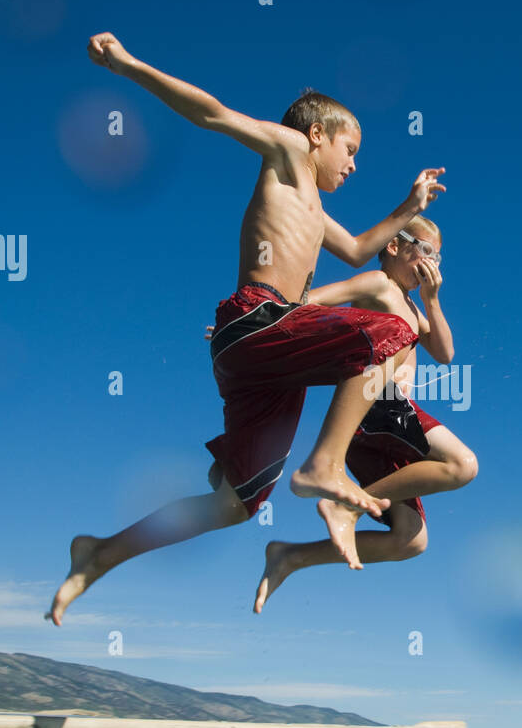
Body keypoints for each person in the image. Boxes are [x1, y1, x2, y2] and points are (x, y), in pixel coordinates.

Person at [47, 32, 445, 625]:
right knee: (392, 329)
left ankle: (100, 552)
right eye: (350, 148)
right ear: (317, 136)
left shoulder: (315, 207)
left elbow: (361, 249)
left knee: (235, 504)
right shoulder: (287, 152)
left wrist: (408, 209)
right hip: (258, 319)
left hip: (265, 353)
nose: (354, 164)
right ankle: (325, 466)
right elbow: (211, 113)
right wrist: (129, 66)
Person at [252, 215, 477, 613]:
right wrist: (257, 324)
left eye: (437, 258)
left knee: (410, 540)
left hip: (382, 430)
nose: (430, 264)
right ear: (393, 246)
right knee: (461, 464)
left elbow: (445, 354)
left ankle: (291, 556)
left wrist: (432, 300)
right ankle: (347, 505)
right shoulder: (380, 284)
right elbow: (314, 300)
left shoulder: (413, 306)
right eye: (423, 251)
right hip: (376, 405)